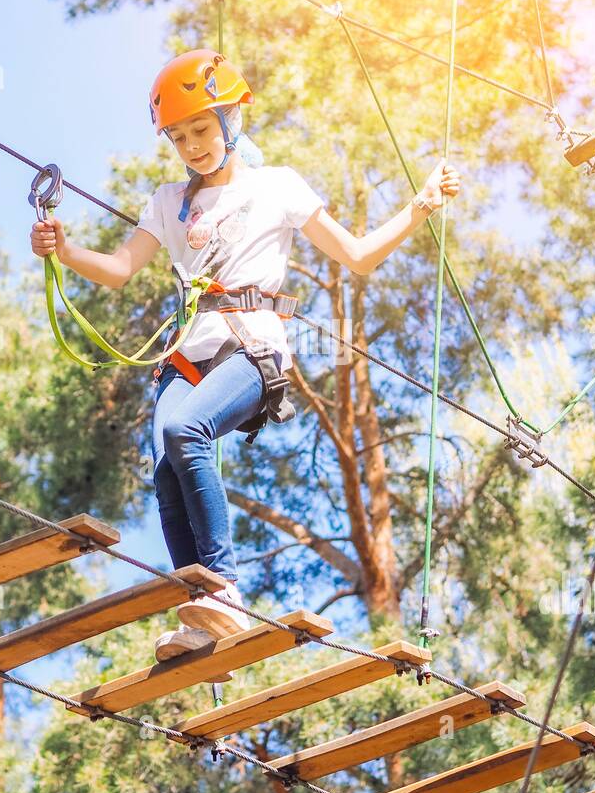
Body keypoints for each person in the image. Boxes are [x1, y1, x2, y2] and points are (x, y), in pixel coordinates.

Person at [30, 48, 460, 668]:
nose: (191, 146)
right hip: (187, 356)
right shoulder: (167, 202)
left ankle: (223, 587)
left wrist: (420, 205)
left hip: (251, 348)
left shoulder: (276, 187)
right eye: (178, 137)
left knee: (185, 430)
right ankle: (199, 608)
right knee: (165, 465)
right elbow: (121, 270)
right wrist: (65, 249)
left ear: (232, 120)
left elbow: (359, 256)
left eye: (201, 130)